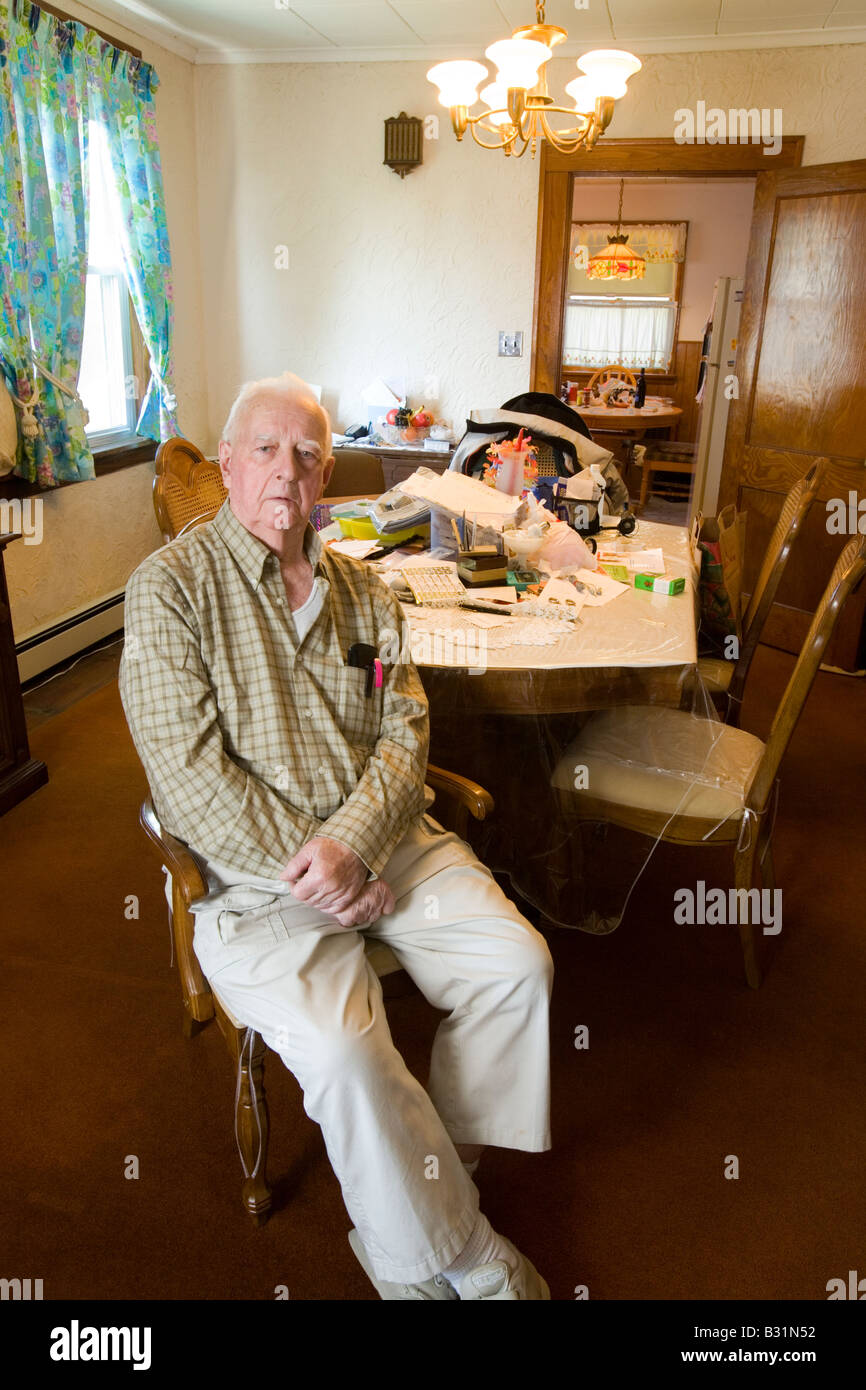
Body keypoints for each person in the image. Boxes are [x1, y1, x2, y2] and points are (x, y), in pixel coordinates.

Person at [119, 371, 554, 1300]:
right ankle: (462, 1253)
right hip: (254, 881)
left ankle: (435, 1181)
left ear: (327, 475)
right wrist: (321, 869)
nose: (288, 472)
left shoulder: (362, 594)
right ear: (229, 465)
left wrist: (355, 845)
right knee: (353, 1052)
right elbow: (190, 781)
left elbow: (403, 726)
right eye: (266, 451)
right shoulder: (169, 593)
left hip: (390, 840)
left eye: (309, 455)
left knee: (518, 966)